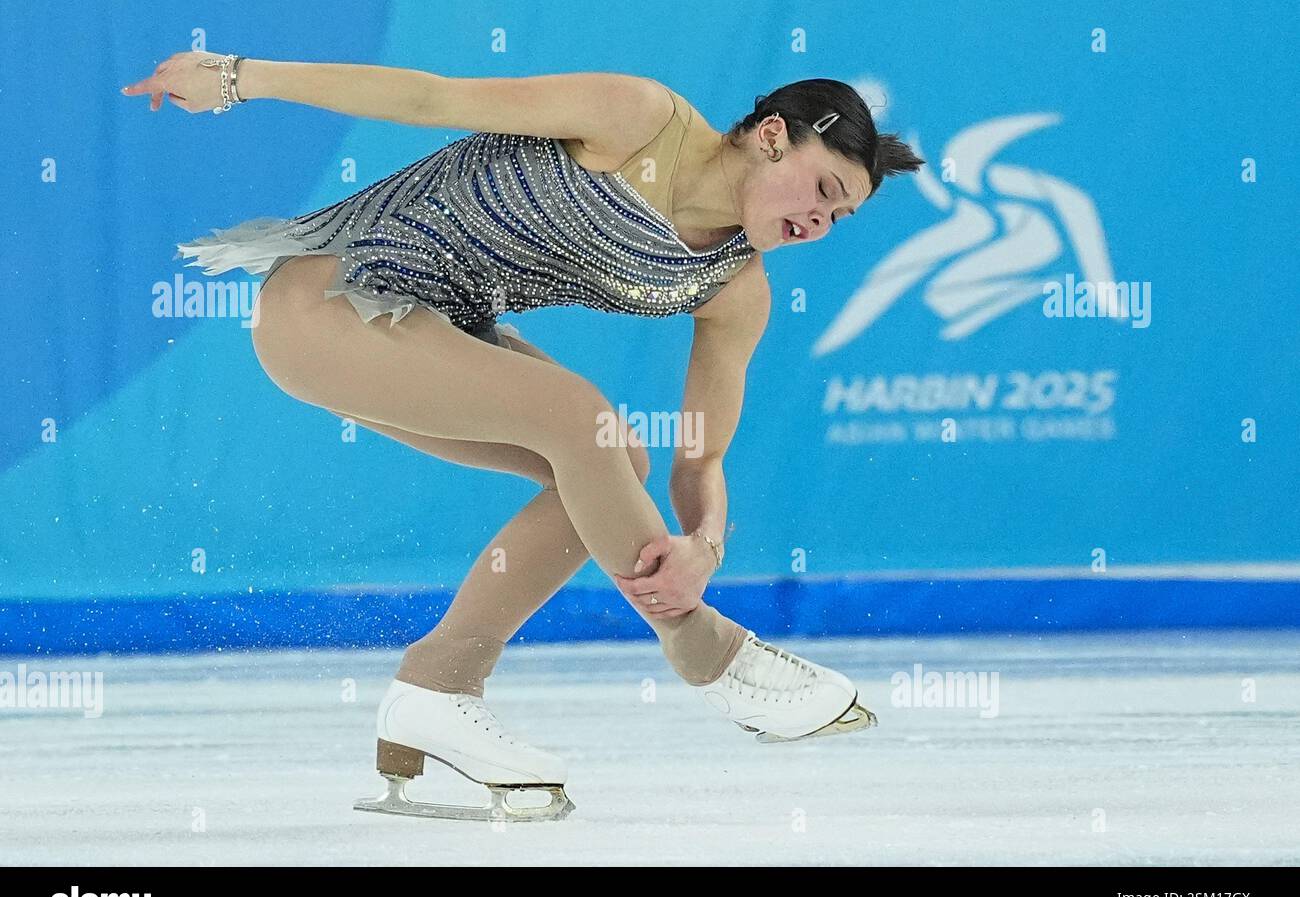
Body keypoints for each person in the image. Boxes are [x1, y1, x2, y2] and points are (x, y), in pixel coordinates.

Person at [123, 53, 924, 821]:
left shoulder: (736, 289)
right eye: (823, 188)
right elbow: (432, 98)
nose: (819, 220)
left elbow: (702, 454)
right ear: (774, 134)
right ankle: (704, 651)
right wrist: (237, 78)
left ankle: (437, 688)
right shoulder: (638, 117)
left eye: (837, 215)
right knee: (582, 421)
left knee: (613, 462)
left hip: (430, 332)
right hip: (329, 300)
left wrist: (703, 546)